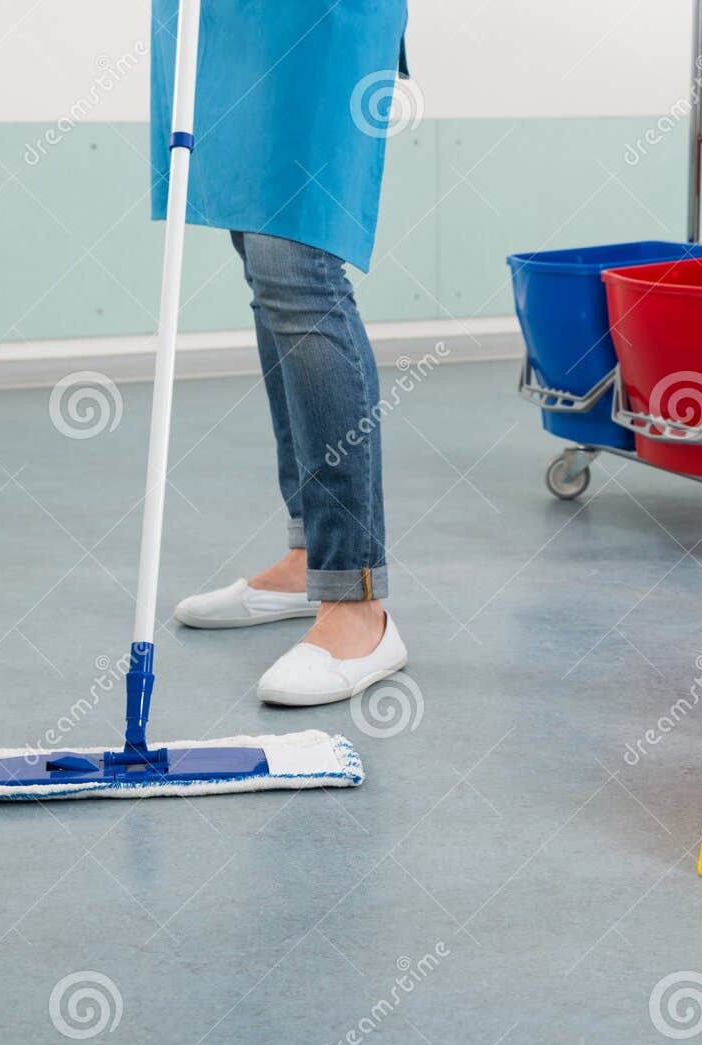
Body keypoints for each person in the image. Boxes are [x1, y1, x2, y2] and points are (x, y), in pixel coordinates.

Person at [151, 1, 411, 706]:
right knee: (261, 248)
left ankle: (356, 600)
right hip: (230, 19)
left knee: (295, 260)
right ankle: (312, 558)